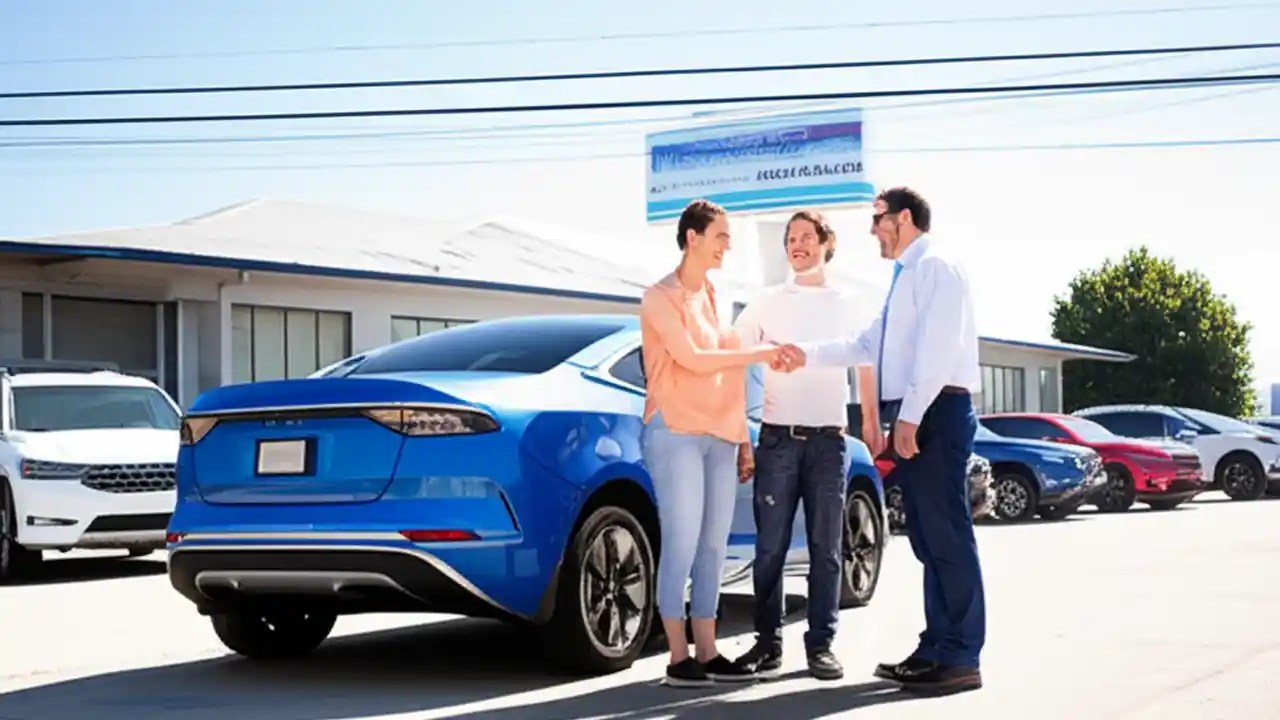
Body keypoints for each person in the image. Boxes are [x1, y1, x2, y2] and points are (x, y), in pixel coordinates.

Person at [775, 186, 986, 695]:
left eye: (878, 220)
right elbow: (866, 344)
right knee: (929, 541)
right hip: (920, 413)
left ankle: (961, 656)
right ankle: (936, 648)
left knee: (947, 537)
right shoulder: (905, 277)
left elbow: (938, 352)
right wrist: (803, 353)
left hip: (936, 411)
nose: (872, 231)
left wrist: (910, 418)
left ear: (904, 218)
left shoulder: (936, 267)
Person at [728, 210, 882, 681]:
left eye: (807, 237)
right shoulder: (766, 302)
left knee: (825, 547)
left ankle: (821, 645)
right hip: (775, 440)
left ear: (825, 244)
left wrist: (871, 423)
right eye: (791, 239)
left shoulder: (849, 300)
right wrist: (741, 436)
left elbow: (865, 363)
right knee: (770, 547)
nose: (798, 245)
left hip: (828, 442)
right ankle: (767, 645)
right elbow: (734, 359)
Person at [639, 198, 783, 688]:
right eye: (720, 235)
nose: (727, 245)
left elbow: (731, 375)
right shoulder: (658, 297)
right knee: (680, 541)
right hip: (675, 430)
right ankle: (678, 657)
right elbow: (695, 358)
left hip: (720, 434)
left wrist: (743, 439)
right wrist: (762, 352)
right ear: (692, 238)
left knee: (714, 545)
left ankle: (708, 649)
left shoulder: (718, 297)